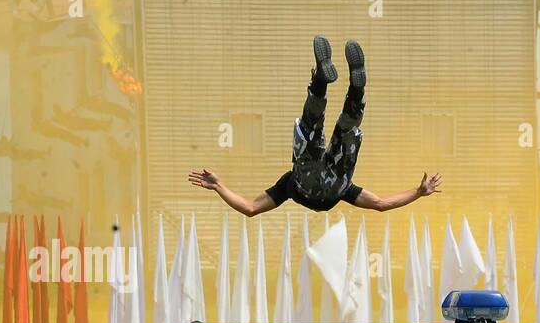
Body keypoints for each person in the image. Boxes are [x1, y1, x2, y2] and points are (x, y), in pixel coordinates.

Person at [189, 37, 443, 217]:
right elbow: (380, 203)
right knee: (312, 128)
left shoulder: (292, 184)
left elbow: (251, 208)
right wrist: (418, 193)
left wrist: (219, 186)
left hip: (324, 181)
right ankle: (321, 82)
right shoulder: (294, 183)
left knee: (345, 129)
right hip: (325, 180)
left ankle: (353, 88)